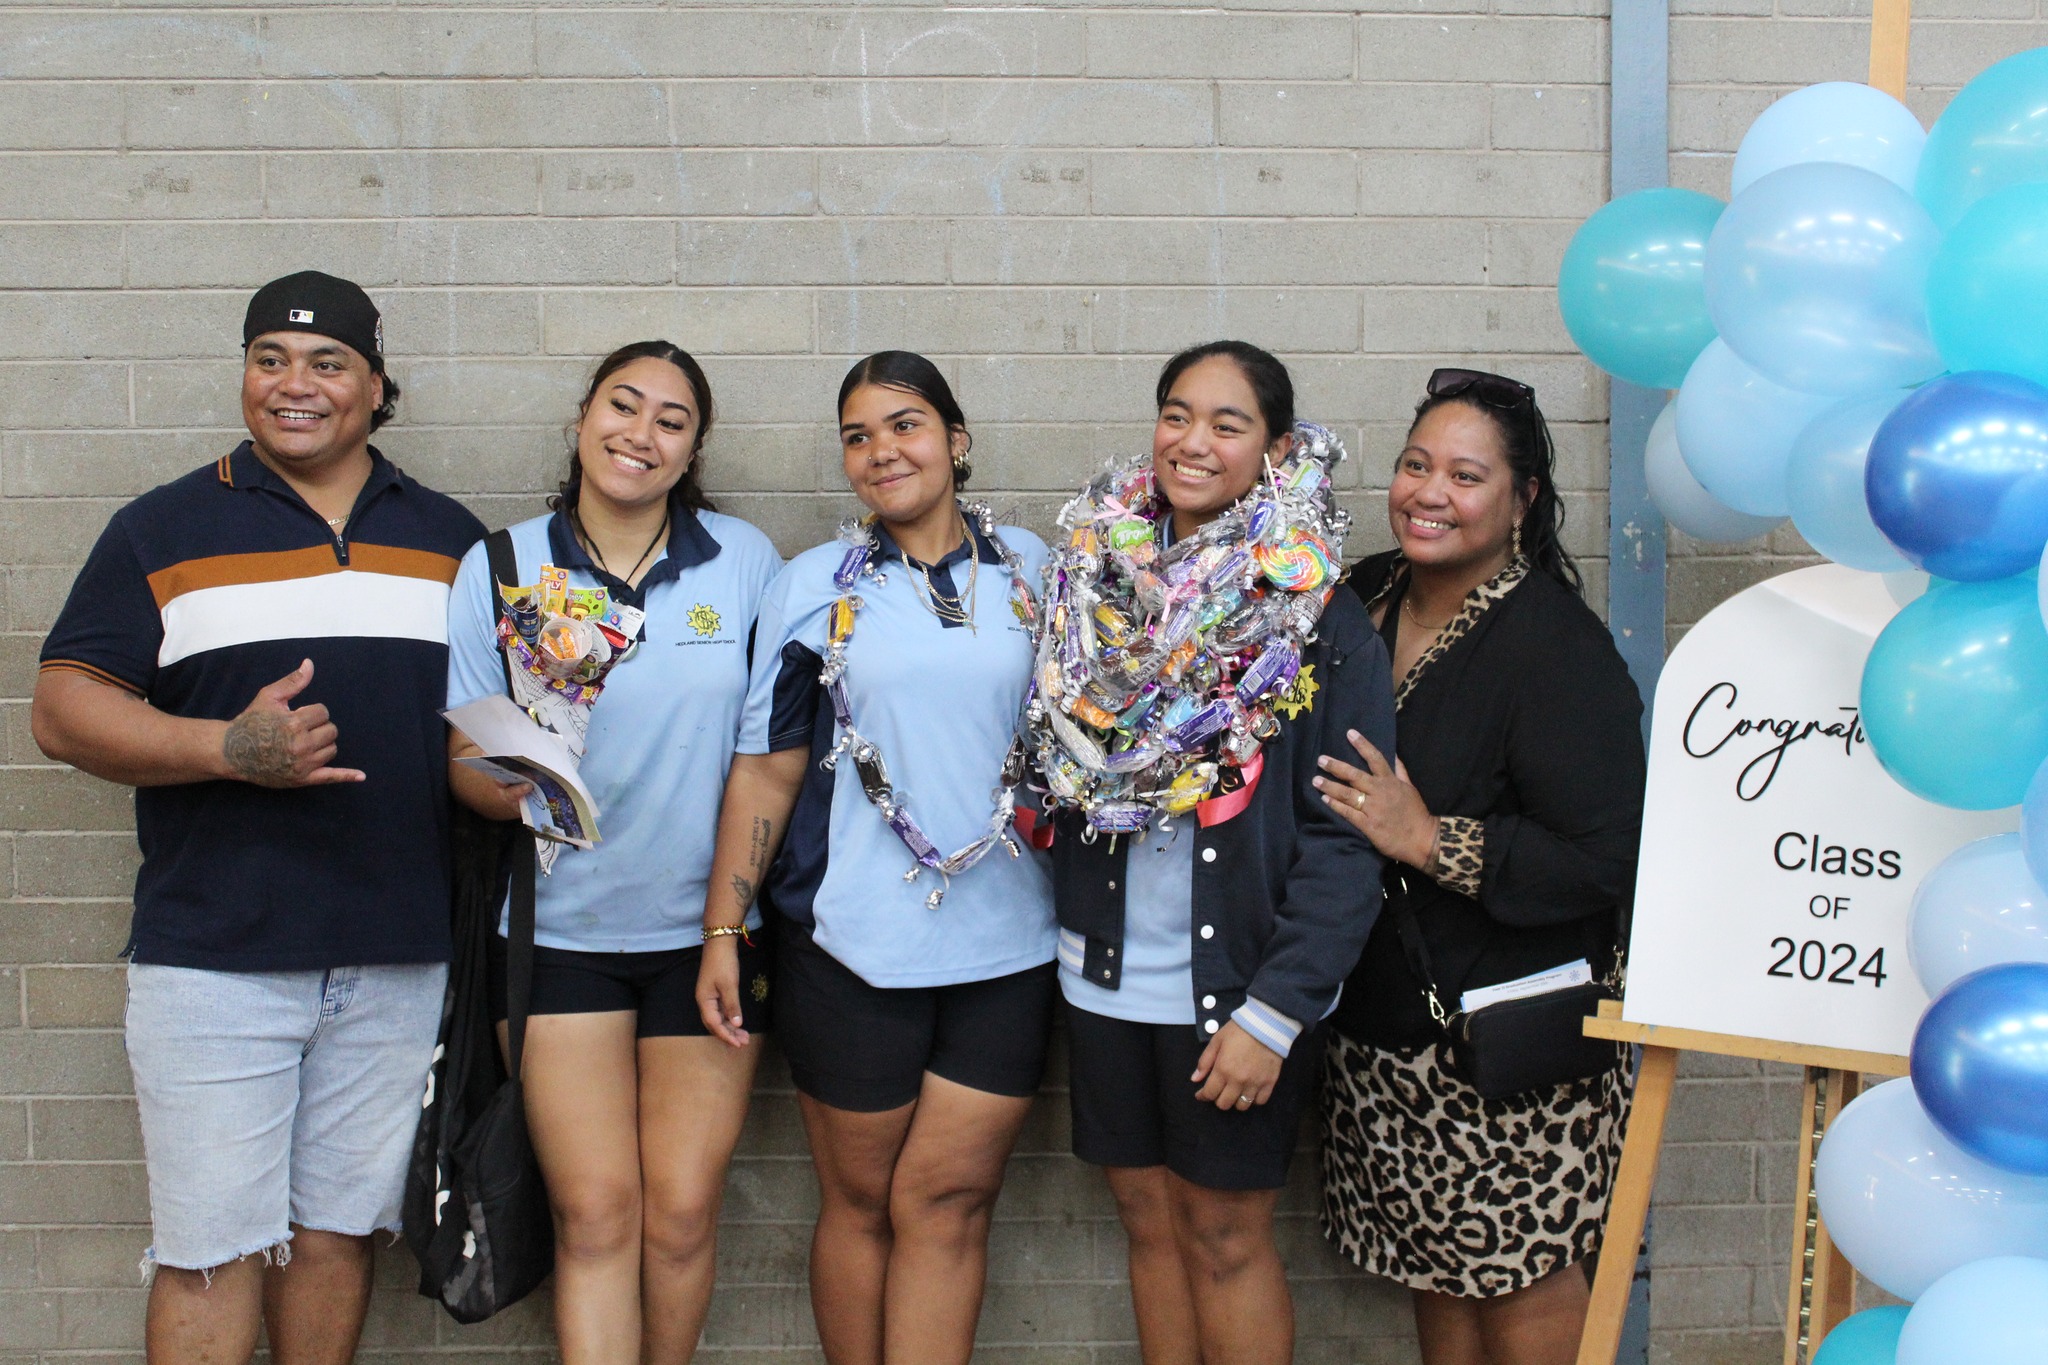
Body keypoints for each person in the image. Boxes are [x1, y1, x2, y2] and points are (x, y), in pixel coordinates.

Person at [29, 272, 484, 1365]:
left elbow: (486, 731)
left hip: (395, 959)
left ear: (376, 387)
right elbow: (61, 710)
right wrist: (221, 748)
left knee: (337, 1243)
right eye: (269, 358)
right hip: (216, 962)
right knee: (210, 1251)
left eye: (326, 364)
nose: (294, 386)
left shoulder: (452, 542)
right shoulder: (163, 528)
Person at [1038, 340, 1397, 1365]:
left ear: (1275, 451)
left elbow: (1343, 837)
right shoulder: (1092, 585)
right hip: (1105, 981)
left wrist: (1276, 1013)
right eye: (1175, 414)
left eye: (1226, 424)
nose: (1191, 442)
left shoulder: (1314, 616)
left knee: (1226, 1237)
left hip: (1236, 995)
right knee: (1148, 1225)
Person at [698, 351, 1055, 1365]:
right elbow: (765, 774)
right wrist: (726, 927)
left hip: (1009, 946)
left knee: (947, 1197)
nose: (878, 451)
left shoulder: (1033, 571)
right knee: (860, 1202)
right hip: (852, 947)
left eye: (902, 425)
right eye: (855, 436)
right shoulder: (812, 588)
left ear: (955, 438)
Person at [443, 341, 782, 1365]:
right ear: (581, 419)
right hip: (560, 937)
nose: (640, 433)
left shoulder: (743, 561)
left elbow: (764, 763)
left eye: (669, 420)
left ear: (691, 451)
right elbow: (462, 761)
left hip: (706, 938)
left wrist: (726, 923)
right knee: (595, 1215)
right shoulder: (501, 565)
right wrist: (526, 780)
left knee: (679, 1216)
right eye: (622, 406)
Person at [1313, 368, 1645, 1365]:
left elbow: (1605, 859)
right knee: (1440, 1284)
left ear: (1520, 500)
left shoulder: (1552, 644)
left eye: (1464, 475)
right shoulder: (1362, 596)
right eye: (1416, 465)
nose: (1428, 492)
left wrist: (1427, 837)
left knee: (1519, 1290)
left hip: (1504, 1051)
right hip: (1382, 1038)